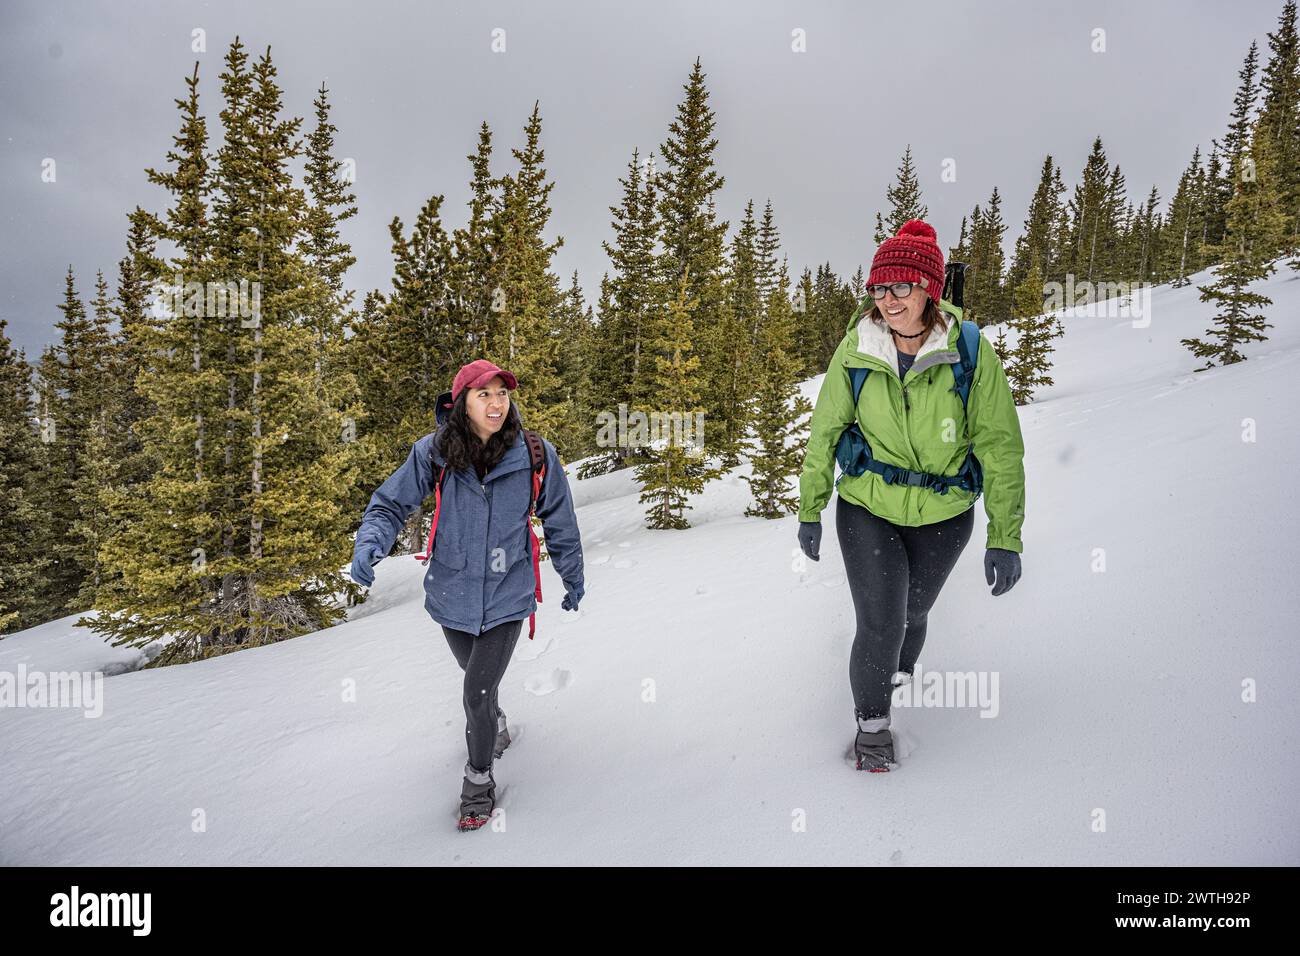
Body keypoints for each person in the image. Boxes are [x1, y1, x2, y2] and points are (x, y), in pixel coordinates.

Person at [797, 220, 1025, 772]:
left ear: (930, 289)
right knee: (879, 620)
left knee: (912, 614)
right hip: (867, 506)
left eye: (901, 287)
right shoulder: (857, 350)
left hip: (945, 514)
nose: (889, 300)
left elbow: (1000, 445)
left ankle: (895, 674)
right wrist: (810, 507)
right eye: (880, 289)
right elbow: (825, 429)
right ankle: (871, 727)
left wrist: (1005, 536)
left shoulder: (968, 352)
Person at [350, 359, 585, 828]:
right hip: (451, 593)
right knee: (477, 677)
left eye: (503, 393)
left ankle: (478, 782)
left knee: (475, 691)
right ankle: (495, 723)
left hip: (507, 593)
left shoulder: (535, 454)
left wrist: (572, 575)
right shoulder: (433, 453)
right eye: (485, 395)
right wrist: (370, 541)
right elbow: (391, 502)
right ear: (462, 403)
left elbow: (559, 518)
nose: (497, 403)